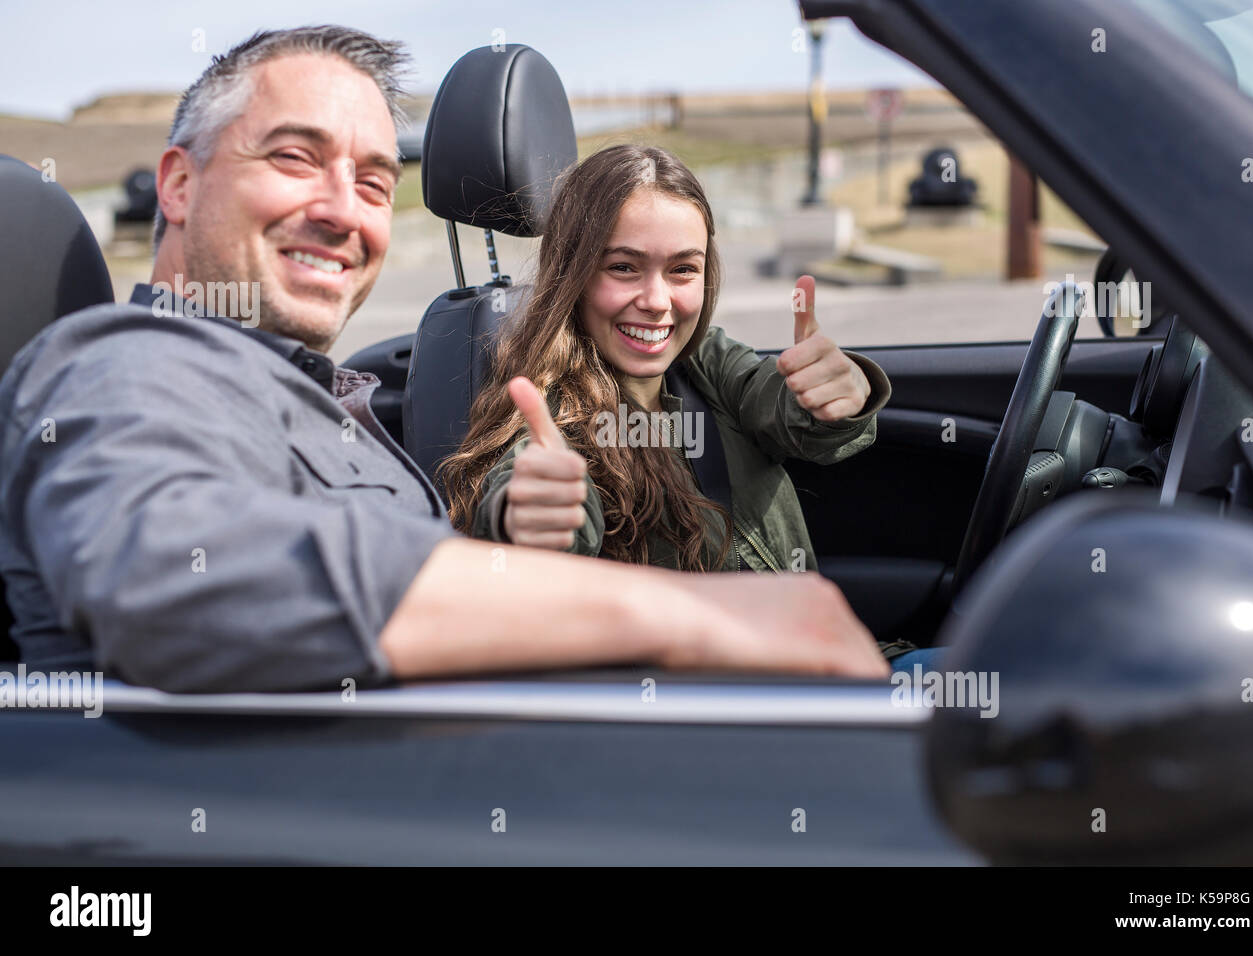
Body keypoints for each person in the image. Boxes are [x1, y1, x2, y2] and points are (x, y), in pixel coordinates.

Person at [0, 26, 890, 692]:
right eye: (295, 158)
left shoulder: (307, 398)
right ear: (180, 185)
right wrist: (686, 614)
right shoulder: (125, 367)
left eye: (376, 181)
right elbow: (169, 582)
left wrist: (836, 398)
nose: (343, 209)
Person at [442, 145, 891, 575]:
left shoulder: (706, 362)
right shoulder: (551, 412)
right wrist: (528, 513)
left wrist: (838, 391)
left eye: (682, 269)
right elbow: (530, 491)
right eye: (623, 267)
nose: (657, 301)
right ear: (573, 276)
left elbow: (779, 404)